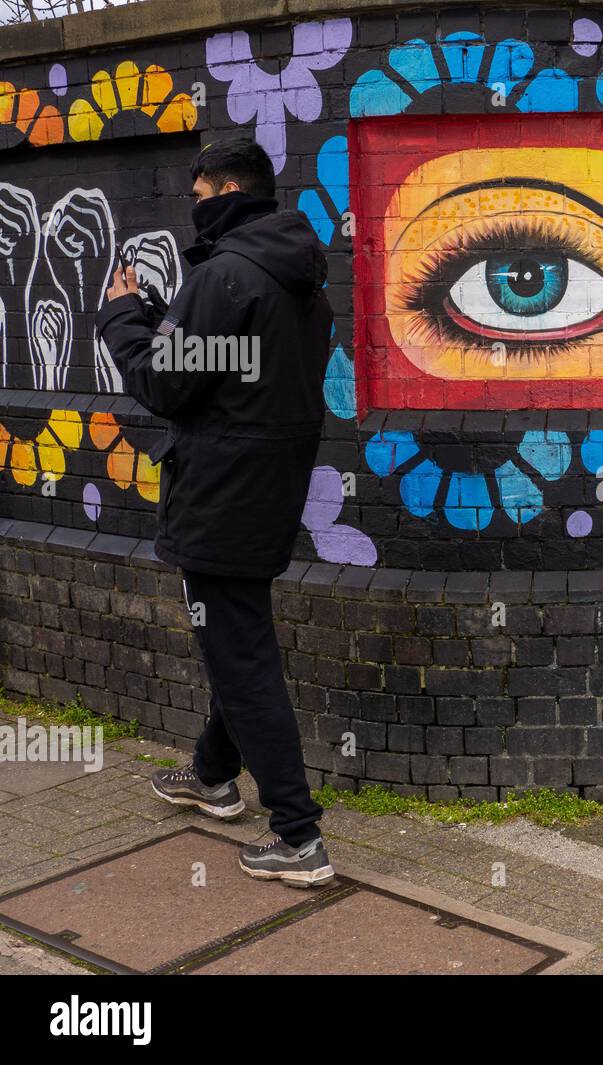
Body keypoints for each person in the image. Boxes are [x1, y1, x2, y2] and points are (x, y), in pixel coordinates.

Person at [95, 138, 335, 888]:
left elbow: (166, 386)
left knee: (241, 660)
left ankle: (298, 836)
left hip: (219, 501)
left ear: (225, 189)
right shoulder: (296, 279)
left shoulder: (226, 277)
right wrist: (170, 315)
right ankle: (211, 774)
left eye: (197, 194)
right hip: (266, 494)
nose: (193, 207)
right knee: (241, 642)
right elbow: (235, 368)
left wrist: (122, 318)